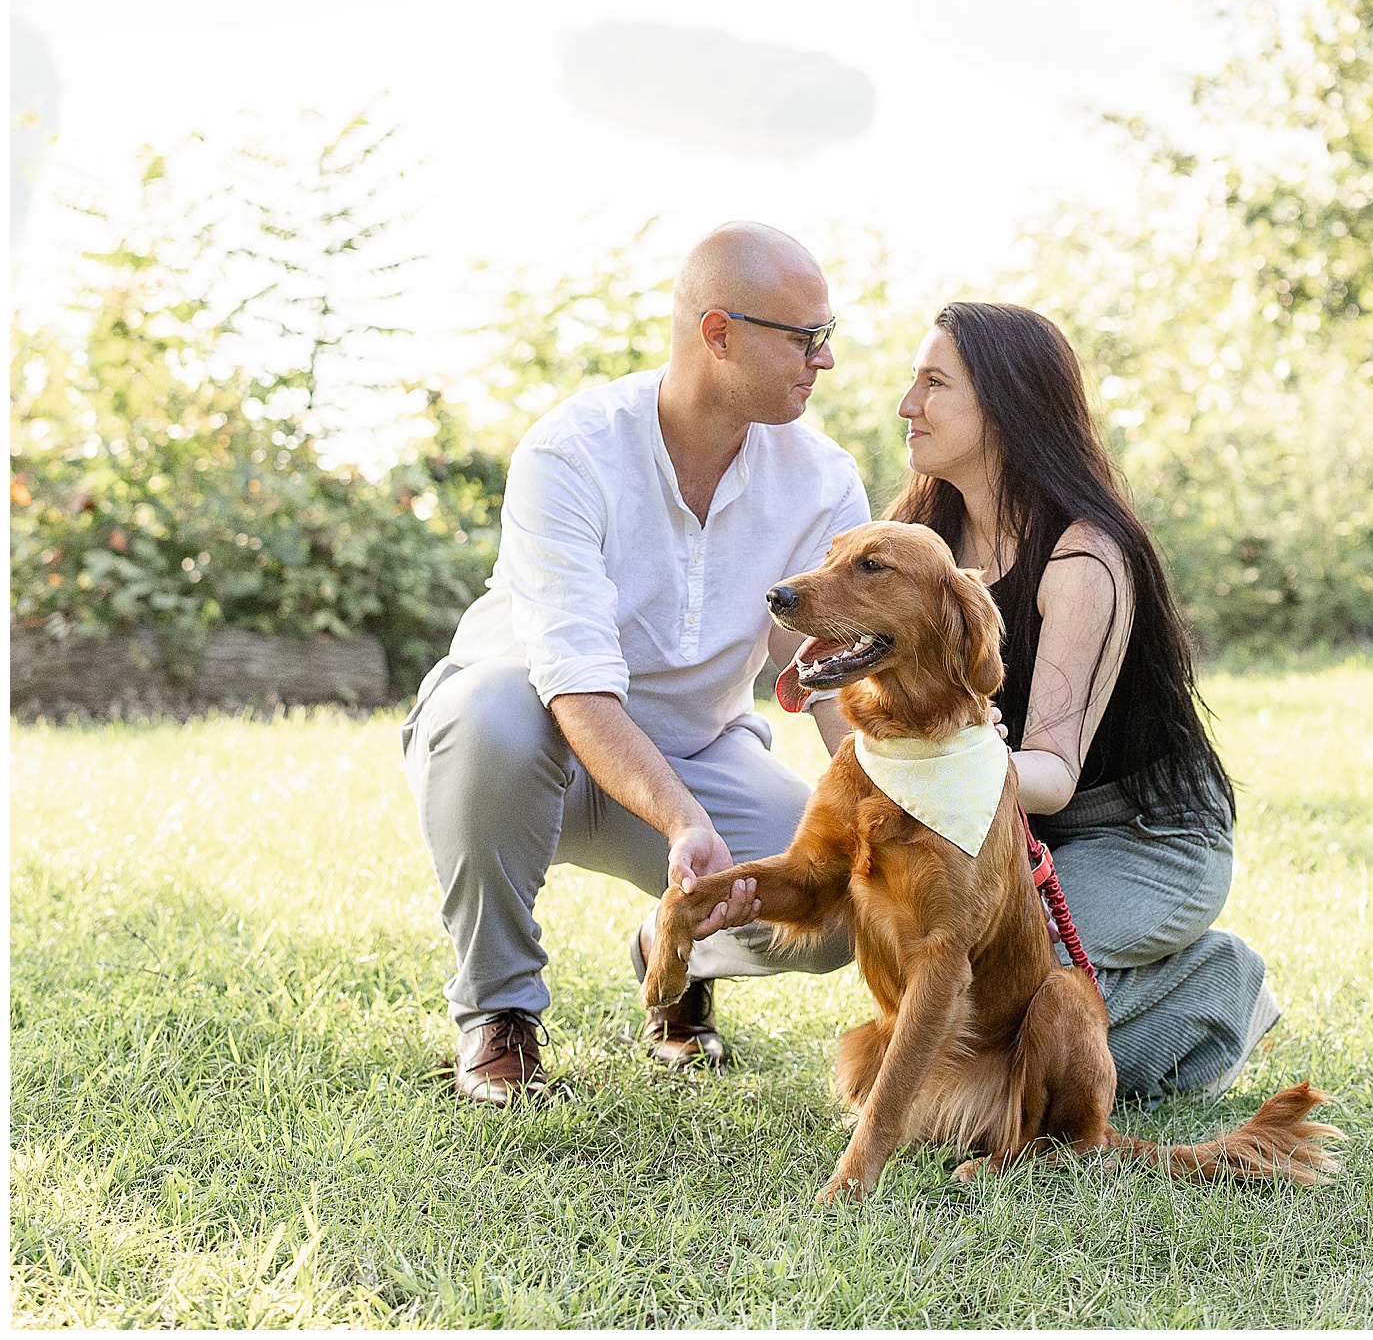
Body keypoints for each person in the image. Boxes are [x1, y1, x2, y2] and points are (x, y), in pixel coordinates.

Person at [403, 222, 868, 1105]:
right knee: (488, 712)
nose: (827, 360)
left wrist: (885, 805)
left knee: (844, 890)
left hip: (696, 749)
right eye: (806, 338)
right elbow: (572, 683)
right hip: (524, 751)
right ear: (718, 334)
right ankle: (498, 1020)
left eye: (827, 335)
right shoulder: (570, 453)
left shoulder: (822, 479)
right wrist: (685, 823)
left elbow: (822, 672)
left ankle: (672, 949)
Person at [890, 300, 1280, 1101]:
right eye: (913, 380)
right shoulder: (924, 534)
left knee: (1018, 1016)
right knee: (944, 999)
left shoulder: (1083, 556)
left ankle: (1220, 986)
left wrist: (952, 757)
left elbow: (1052, 773)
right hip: (1011, 829)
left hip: (1145, 831)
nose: (907, 405)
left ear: (1004, 407)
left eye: (934, 383)